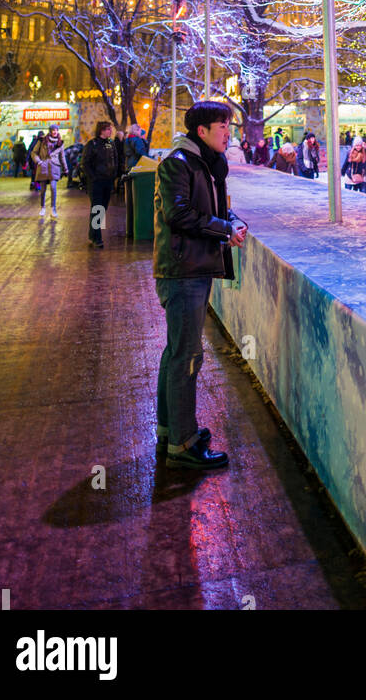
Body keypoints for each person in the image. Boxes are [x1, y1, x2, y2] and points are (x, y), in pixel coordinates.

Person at [154, 101, 248, 469]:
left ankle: (170, 428)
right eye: (222, 126)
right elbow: (177, 214)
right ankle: (183, 442)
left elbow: (215, 209)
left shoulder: (206, 164)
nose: (228, 132)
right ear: (201, 131)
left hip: (193, 267)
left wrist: (232, 223)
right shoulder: (179, 163)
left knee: (175, 352)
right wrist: (223, 229)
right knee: (186, 357)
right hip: (182, 272)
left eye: (229, 126)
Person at [81, 121, 119, 249]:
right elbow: (85, 163)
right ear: (101, 130)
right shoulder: (92, 144)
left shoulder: (111, 143)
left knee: (103, 208)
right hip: (96, 182)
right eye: (108, 129)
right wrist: (93, 177)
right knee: (98, 209)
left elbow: (115, 160)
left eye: (110, 129)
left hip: (108, 181)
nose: (110, 131)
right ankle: (97, 238)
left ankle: (93, 235)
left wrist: (114, 175)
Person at [34, 125, 68, 218]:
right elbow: (34, 153)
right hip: (43, 167)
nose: (55, 132)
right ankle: (43, 207)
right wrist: (39, 161)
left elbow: (62, 157)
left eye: (56, 130)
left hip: (54, 167)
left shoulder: (60, 143)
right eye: (53, 130)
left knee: (53, 188)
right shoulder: (42, 141)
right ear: (50, 131)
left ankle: (53, 209)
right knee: (43, 190)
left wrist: (66, 169)